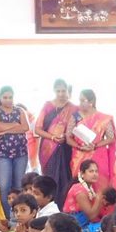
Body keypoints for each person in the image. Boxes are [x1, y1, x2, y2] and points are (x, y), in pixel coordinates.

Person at [35, 79, 79, 209]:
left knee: (65, 178)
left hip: (67, 148)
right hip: (48, 149)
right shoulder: (48, 106)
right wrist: (53, 137)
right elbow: (37, 129)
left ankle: (64, 208)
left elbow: (78, 127)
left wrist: (67, 137)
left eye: (63, 91)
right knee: (50, 179)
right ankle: (49, 209)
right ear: (54, 91)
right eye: (58, 91)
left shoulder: (73, 108)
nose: (61, 94)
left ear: (68, 90)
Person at [68, 89, 116, 195]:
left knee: (100, 182)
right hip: (80, 155)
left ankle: (102, 207)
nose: (80, 103)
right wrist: (79, 147)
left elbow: (111, 138)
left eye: (83, 100)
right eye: (80, 100)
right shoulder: (75, 117)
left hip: (98, 155)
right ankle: (83, 207)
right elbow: (68, 137)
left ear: (91, 101)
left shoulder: (104, 118)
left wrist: (95, 145)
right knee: (81, 183)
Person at [0, 86, 31, 206]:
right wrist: (15, 124)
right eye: (5, 97)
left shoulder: (20, 110)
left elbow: (25, 127)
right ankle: (6, 217)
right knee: (4, 186)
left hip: (20, 153)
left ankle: (18, 215)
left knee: (18, 185)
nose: (8, 100)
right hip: (2, 153)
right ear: (0, 98)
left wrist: (5, 131)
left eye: (10, 97)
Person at [63, 159, 116, 232]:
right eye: (91, 171)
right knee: (111, 226)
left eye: (96, 171)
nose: (94, 174)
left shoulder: (89, 189)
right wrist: (99, 198)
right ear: (82, 174)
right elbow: (91, 215)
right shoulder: (79, 190)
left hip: (85, 226)